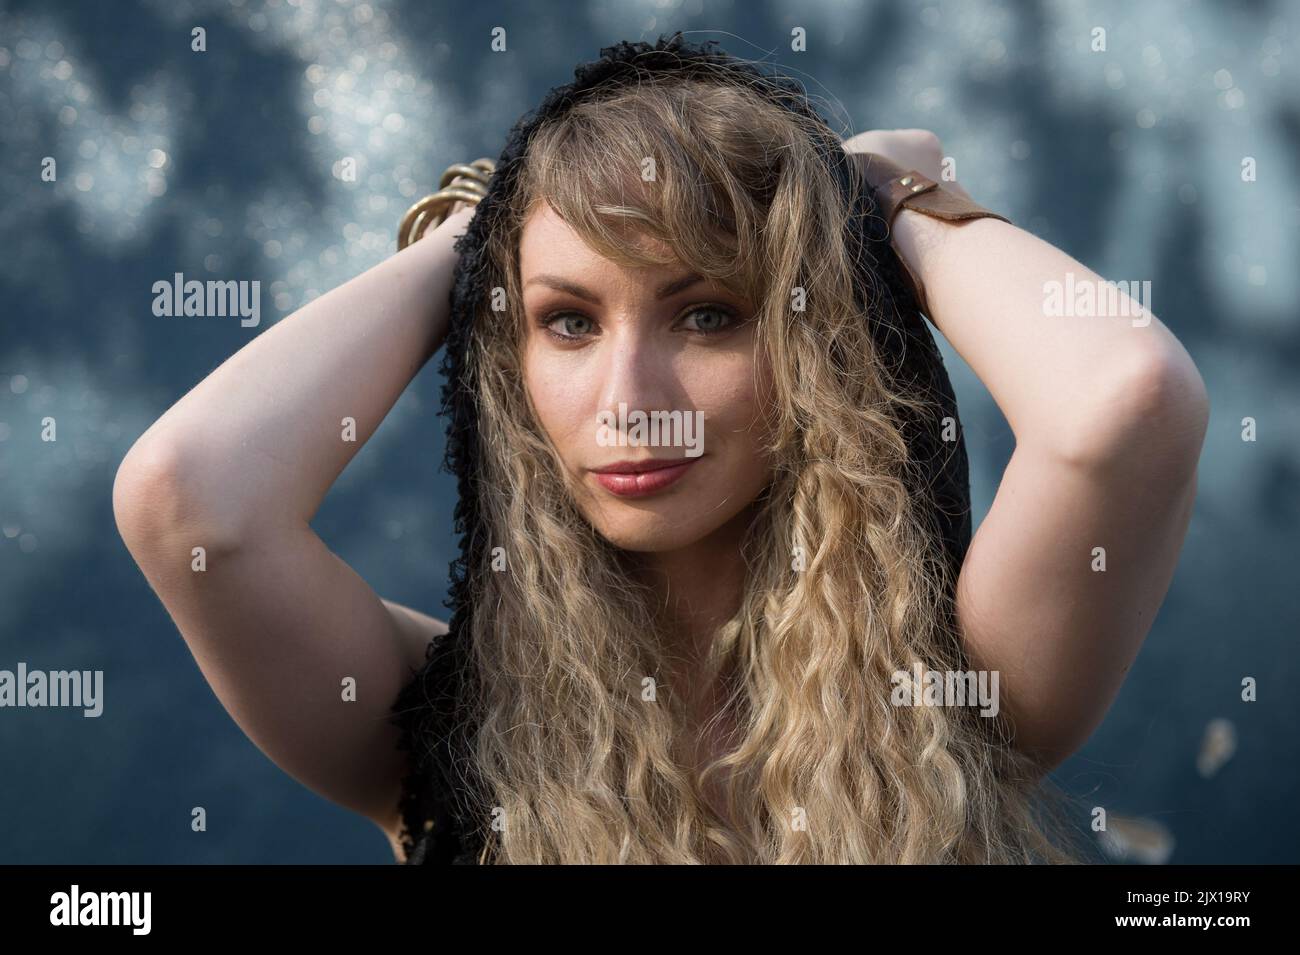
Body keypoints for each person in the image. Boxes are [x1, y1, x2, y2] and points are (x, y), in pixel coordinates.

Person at [112, 34, 1209, 864]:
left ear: (815, 344)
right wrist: (472, 230)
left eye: (707, 315)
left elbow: (1124, 400)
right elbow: (188, 500)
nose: (629, 402)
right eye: (568, 322)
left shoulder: (958, 687)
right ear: (508, 359)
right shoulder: (441, 724)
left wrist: (887, 209)